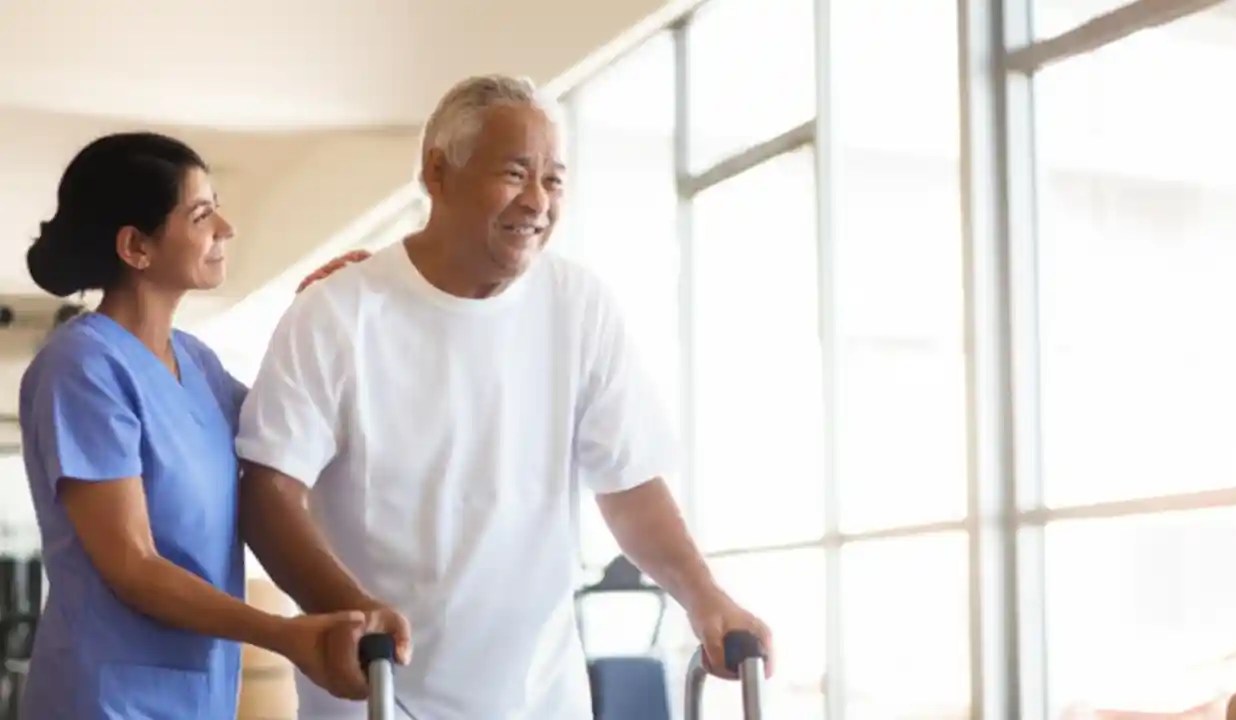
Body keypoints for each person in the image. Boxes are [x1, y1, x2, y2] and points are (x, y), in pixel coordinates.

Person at [235, 74, 774, 719]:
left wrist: (705, 596)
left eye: (554, 180)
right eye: (515, 174)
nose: (537, 200)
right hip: (376, 690)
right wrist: (348, 609)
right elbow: (269, 492)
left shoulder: (578, 305)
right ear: (438, 173)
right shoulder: (338, 313)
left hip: (541, 697)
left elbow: (630, 484)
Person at [17, 132, 373, 718]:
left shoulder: (197, 362)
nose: (226, 228)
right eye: (202, 215)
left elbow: (285, 432)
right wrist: (284, 634)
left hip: (197, 696)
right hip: (108, 701)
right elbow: (134, 566)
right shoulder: (82, 367)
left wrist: (319, 312)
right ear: (136, 246)